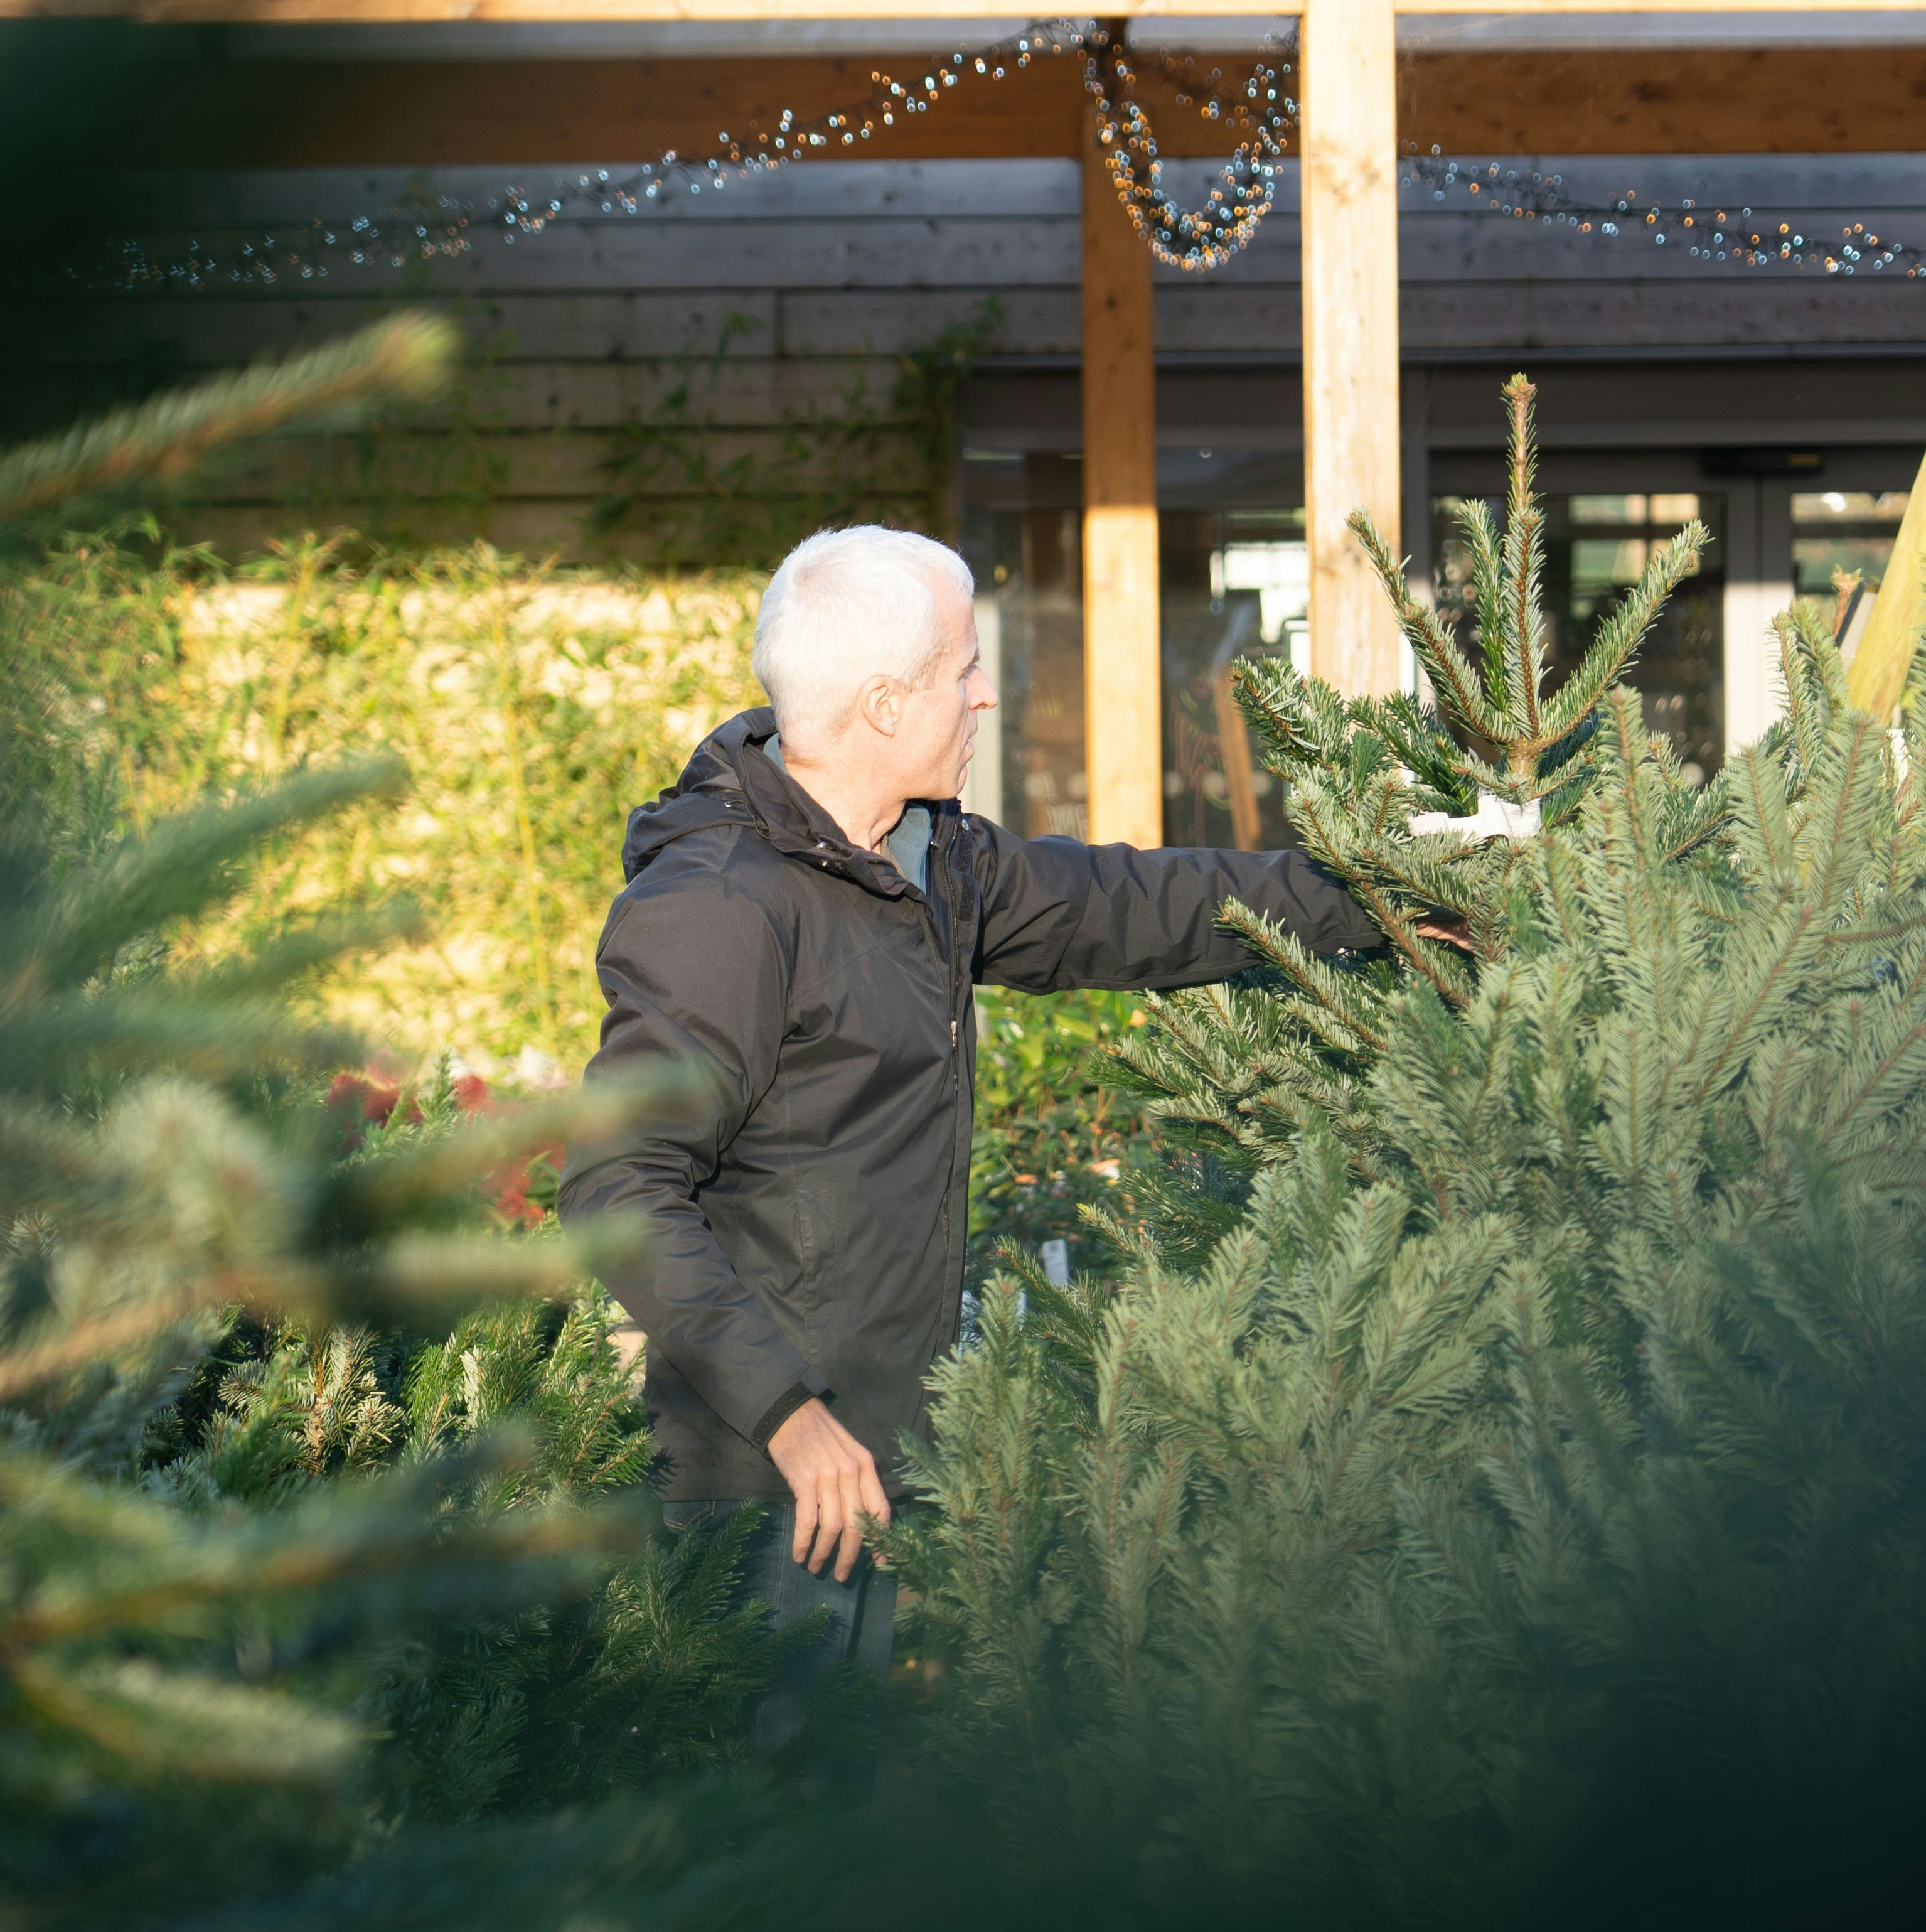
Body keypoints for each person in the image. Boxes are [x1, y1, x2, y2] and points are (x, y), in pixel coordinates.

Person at [556, 523, 1384, 1746]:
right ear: (886, 704)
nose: (985, 692)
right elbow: (618, 1184)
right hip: (761, 1485)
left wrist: (1374, 902)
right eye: (962, 667)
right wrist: (788, 1415)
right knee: (755, 1850)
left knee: (838, 1842)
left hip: (869, 1459)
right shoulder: (723, 905)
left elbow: (1127, 907)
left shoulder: (928, 858)